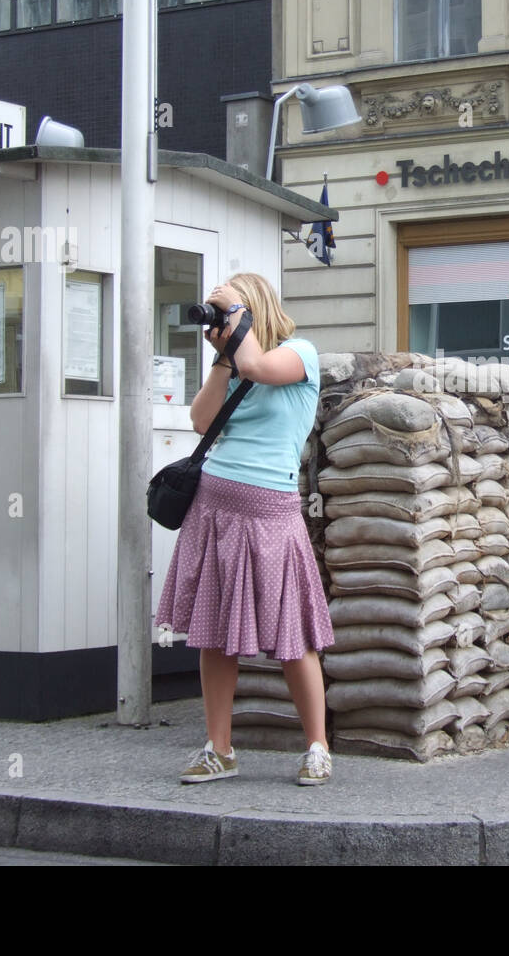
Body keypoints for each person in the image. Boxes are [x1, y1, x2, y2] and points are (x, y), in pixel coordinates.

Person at [155, 272, 335, 784]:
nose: (217, 319)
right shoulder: (231, 366)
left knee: (293, 634)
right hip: (213, 508)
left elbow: (258, 364)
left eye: (227, 309)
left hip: (271, 515)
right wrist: (220, 358)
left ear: (253, 310)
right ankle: (219, 748)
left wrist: (237, 325)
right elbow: (199, 420)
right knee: (213, 635)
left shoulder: (301, 353)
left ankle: (317, 746)